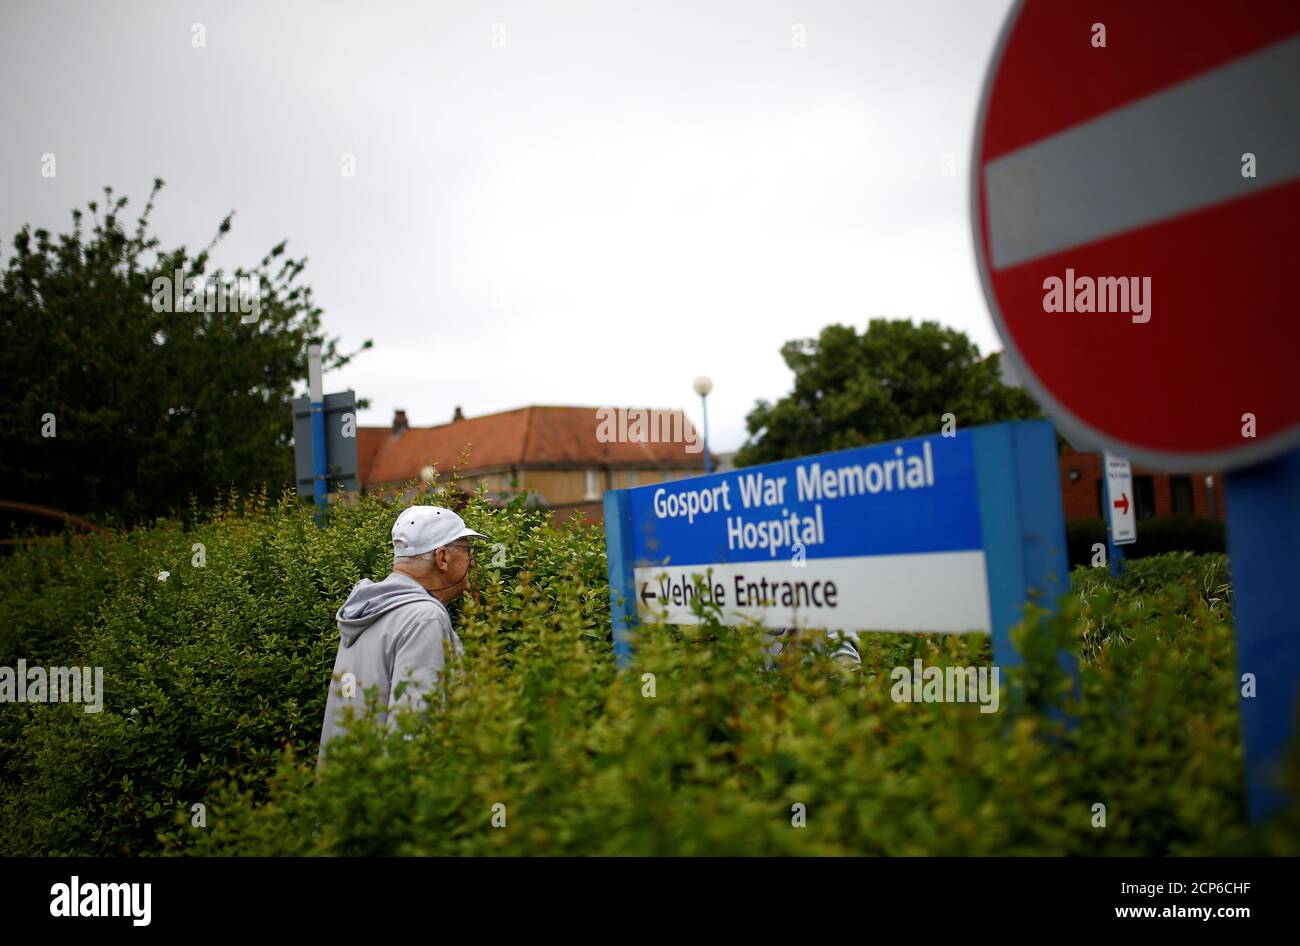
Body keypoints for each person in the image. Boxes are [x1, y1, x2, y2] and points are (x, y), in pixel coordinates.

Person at [317, 505, 488, 767]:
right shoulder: (423, 618)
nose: (473, 562)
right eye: (467, 551)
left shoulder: (368, 609)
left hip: (347, 796)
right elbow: (415, 734)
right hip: (392, 801)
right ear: (442, 557)